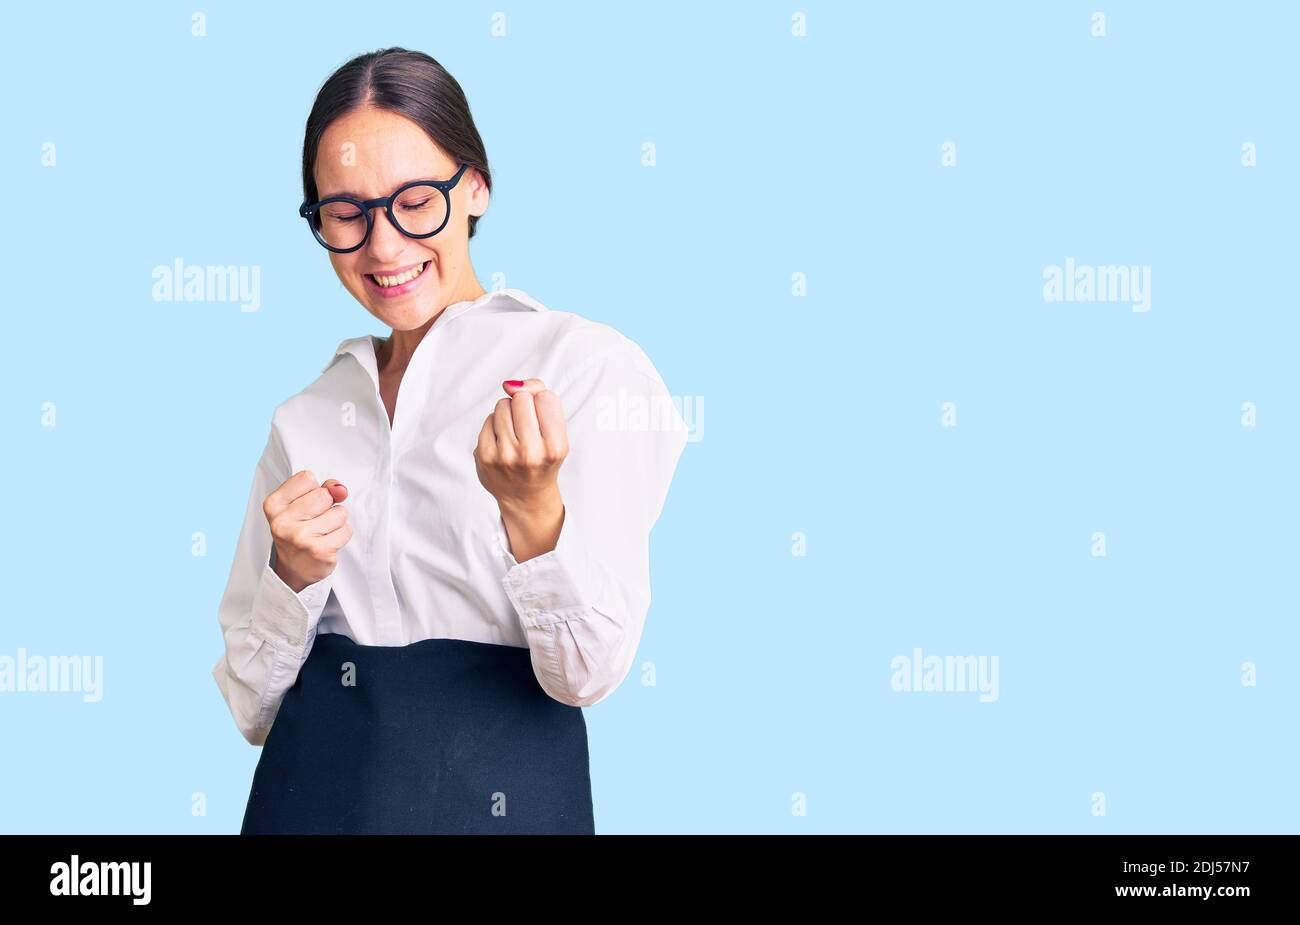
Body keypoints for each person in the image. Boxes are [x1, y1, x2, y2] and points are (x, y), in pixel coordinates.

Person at [211, 47, 689, 834]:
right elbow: (252, 705)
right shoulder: (304, 416)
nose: (384, 246)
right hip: (308, 799)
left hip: (504, 800)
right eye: (346, 212)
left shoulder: (586, 367)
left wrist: (534, 511)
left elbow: (588, 674)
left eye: (415, 201)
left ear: (475, 187)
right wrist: (291, 576)